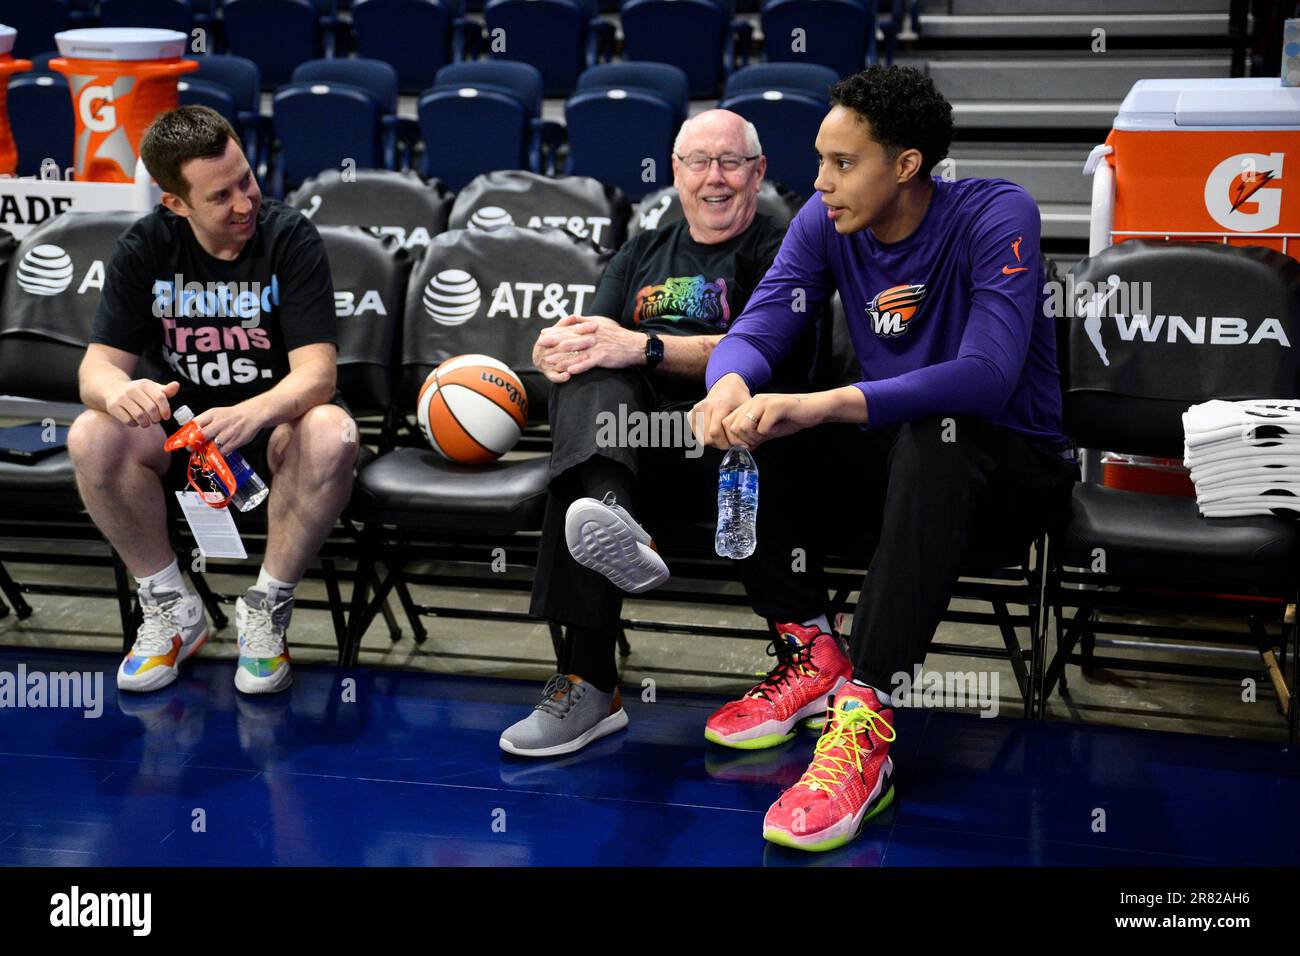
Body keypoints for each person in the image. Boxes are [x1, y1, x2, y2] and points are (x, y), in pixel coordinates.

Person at [692, 66, 1078, 851]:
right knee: (748, 429)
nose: (822, 183)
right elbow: (761, 325)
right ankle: (812, 649)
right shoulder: (825, 222)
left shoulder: (997, 212)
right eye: (820, 162)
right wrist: (726, 384)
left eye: (843, 163)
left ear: (905, 166)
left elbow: (987, 377)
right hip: (901, 469)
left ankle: (864, 724)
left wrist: (825, 402)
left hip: (1009, 475)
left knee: (942, 434)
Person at [499, 109, 814, 757]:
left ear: (758, 174)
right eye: (698, 162)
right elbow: (595, 340)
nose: (714, 178)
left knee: (600, 416)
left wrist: (642, 347)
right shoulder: (642, 248)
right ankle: (611, 521)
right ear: (675, 173)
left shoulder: (779, 250)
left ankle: (590, 678)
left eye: (731, 162)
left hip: (729, 445)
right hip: (631, 455)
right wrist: (557, 349)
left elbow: (769, 351)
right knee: (585, 389)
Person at [68, 106, 357, 695]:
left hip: (272, 436)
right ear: (177, 204)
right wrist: (120, 392)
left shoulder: (288, 236)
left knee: (331, 429)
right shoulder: (145, 246)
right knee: (90, 433)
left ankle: (267, 611)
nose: (245, 204)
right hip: (181, 439)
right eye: (221, 195)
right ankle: (172, 607)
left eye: (246, 180)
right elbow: (95, 369)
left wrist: (253, 410)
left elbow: (318, 376)